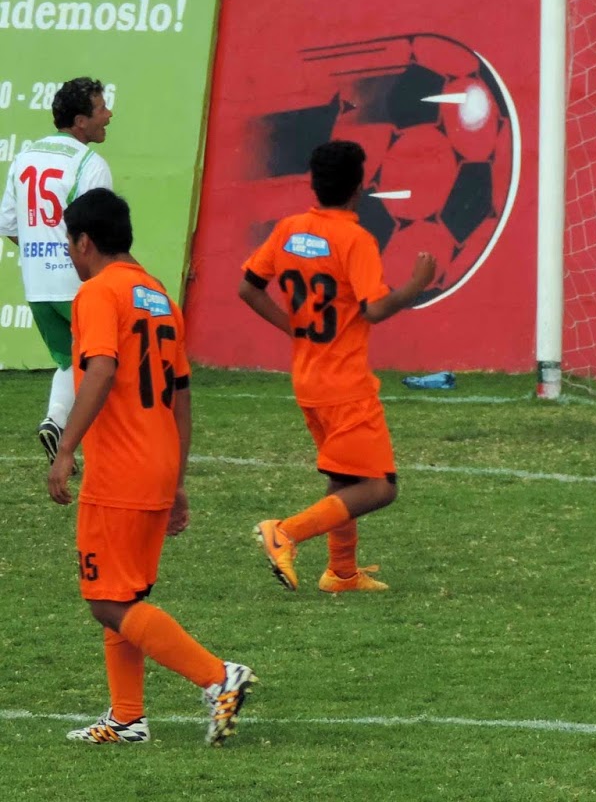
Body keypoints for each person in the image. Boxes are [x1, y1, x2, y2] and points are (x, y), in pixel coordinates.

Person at [47, 188, 255, 746]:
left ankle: (218, 677)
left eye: (70, 243)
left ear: (85, 242)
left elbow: (101, 371)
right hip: (158, 461)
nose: (70, 253)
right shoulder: (159, 295)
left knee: (105, 600)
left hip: (119, 468)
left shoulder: (98, 294)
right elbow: (181, 395)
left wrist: (67, 448)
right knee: (125, 595)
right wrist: (178, 478)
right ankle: (127, 717)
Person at [239, 140, 435, 593]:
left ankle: (341, 572)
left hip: (308, 378)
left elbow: (248, 288)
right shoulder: (354, 239)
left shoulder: (290, 228)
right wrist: (414, 286)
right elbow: (375, 309)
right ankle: (284, 532)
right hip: (344, 384)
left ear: (314, 183)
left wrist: (292, 328)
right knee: (380, 487)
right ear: (359, 187)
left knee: (344, 479)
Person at [1, 77, 115, 461]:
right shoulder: (89, 163)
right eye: (101, 109)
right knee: (108, 363)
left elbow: (9, 224)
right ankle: (107, 446)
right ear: (81, 121)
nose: (109, 115)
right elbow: (98, 233)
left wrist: (41, 251)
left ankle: (54, 421)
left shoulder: (23, 157)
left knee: (69, 360)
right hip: (79, 284)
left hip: (37, 286)